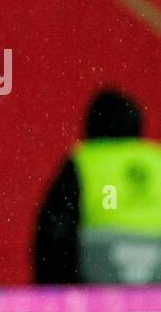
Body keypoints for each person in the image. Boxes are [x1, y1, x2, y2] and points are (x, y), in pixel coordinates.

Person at [34, 88, 161, 284]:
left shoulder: (85, 160)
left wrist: (55, 290)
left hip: (99, 277)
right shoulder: (156, 159)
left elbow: (54, 232)